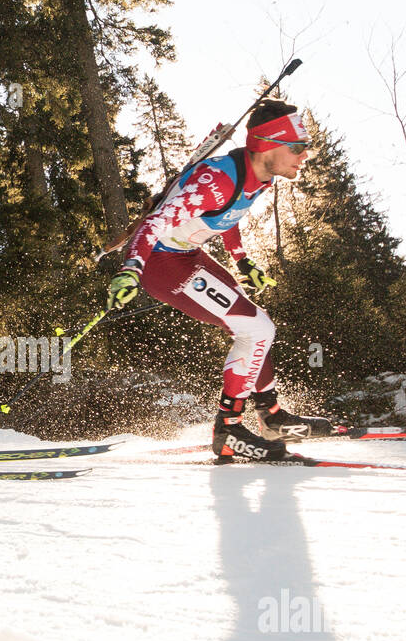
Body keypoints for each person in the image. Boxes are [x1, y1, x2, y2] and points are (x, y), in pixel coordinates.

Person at [107, 99, 332, 461]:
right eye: (297, 147)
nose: (304, 156)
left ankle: (270, 417)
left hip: (188, 256)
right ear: (268, 144)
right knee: (257, 328)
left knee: (254, 326)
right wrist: (130, 269)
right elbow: (154, 222)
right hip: (163, 265)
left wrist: (242, 261)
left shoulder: (260, 177)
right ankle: (228, 429)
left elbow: (232, 214)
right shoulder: (216, 180)